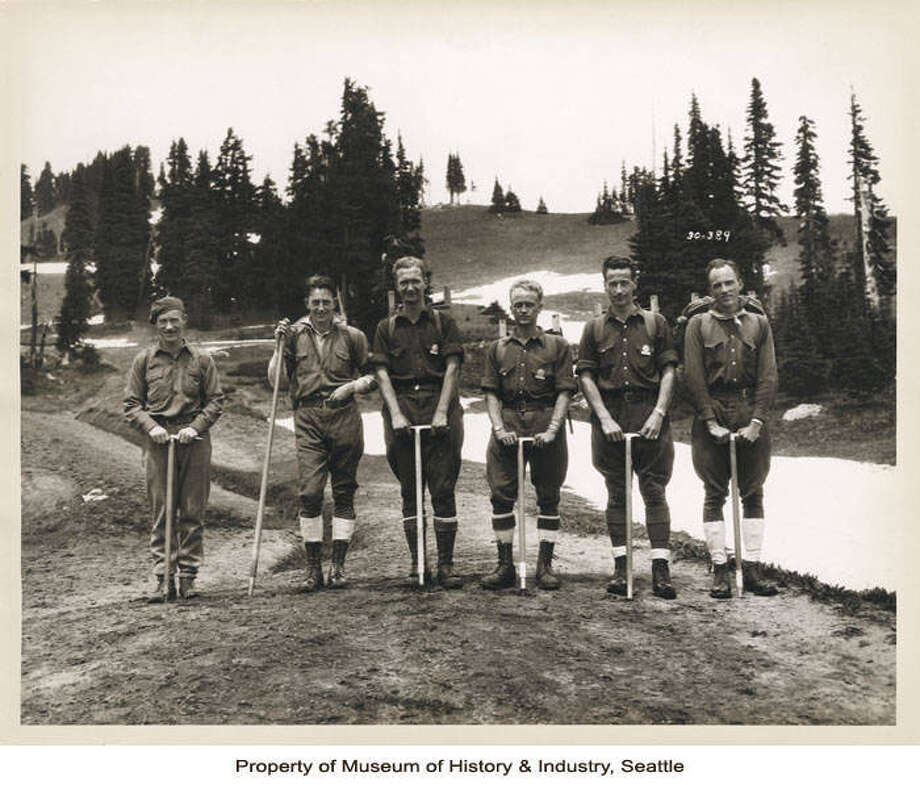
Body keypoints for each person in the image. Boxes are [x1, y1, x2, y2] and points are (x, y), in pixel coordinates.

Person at [577, 256, 678, 599]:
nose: (618, 290)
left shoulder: (655, 323)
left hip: (649, 415)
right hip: (610, 418)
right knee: (617, 491)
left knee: (654, 491)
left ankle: (660, 568)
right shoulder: (593, 328)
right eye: (612, 283)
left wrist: (659, 413)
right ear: (605, 285)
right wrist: (603, 416)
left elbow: (668, 371)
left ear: (635, 284)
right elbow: (586, 376)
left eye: (624, 282)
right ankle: (621, 568)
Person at [268, 275, 375, 592]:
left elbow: (374, 374)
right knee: (310, 492)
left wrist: (353, 386)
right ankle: (313, 570)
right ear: (307, 304)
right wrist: (277, 346)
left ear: (335, 303)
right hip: (308, 417)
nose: (320, 308)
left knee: (344, 491)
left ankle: (338, 568)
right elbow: (276, 381)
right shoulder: (293, 337)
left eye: (326, 302)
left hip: (345, 417)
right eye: (315, 302)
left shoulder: (353, 336)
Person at [683, 258, 779, 598]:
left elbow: (768, 375)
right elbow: (693, 376)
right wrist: (709, 420)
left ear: (739, 283)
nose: (724, 290)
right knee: (714, 493)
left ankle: (751, 568)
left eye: (729, 283)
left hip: (749, 409)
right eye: (716, 286)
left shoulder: (759, 323)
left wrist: (757, 421)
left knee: (753, 491)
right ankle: (720, 569)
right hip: (712, 412)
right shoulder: (697, 325)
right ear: (710, 292)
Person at [371, 256, 464, 588]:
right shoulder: (386, 328)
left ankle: (447, 564)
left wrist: (442, 411)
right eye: (403, 283)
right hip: (403, 412)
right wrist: (395, 414)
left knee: (443, 488)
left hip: (441, 407)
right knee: (410, 489)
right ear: (396, 288)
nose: (410, 289)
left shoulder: (443, 323)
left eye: (415, 281)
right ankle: (417, 562)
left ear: (426, 282)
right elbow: (382, 374)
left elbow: (452, 369)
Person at [124, 296, 223, 601]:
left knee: (193, 510)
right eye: (163, 321)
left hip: (194, 439)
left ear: (184, 321)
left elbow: (216, 400)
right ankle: (162, 577)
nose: (169, 326)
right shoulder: (143, 360)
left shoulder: (202, 359)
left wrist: (195, 428)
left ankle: (188, 577)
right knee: (163, 510)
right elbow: (131, 404)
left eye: (174, 320)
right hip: (158, 441)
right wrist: (151, 427)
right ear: (156, 325)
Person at [480, 279, 575, 590]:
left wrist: (552, 429)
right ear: (511, 307)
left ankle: (544, 567)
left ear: (539, 307)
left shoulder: (557, 346)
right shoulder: (497, 349)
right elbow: (491, 393)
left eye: (529, 304)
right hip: (507, 425)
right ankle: (505, 564)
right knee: (501, 495)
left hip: (545, 425)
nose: (523, 310)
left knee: (549, 497)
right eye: (517, 304)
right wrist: (498, 428)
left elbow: (564, 392)